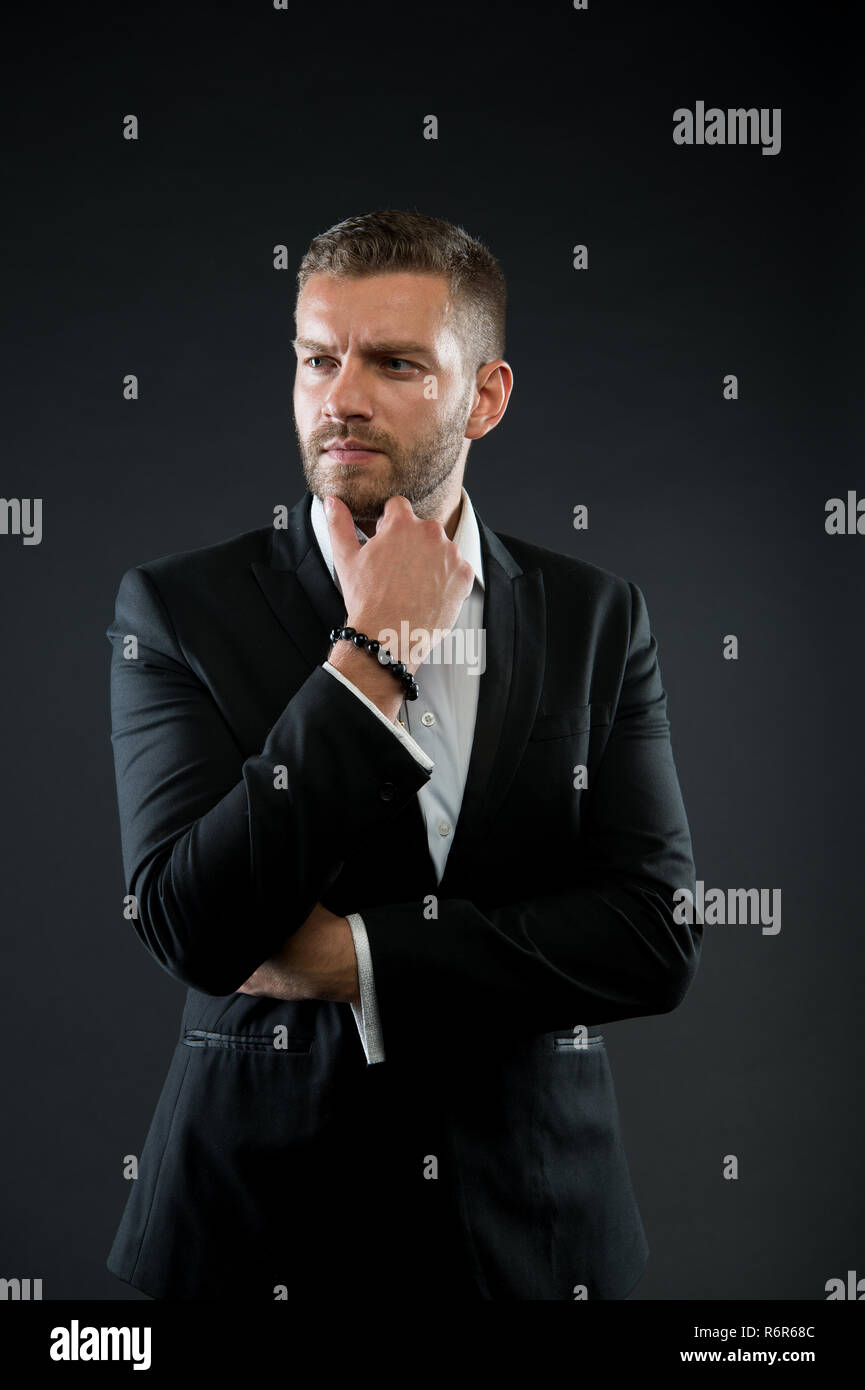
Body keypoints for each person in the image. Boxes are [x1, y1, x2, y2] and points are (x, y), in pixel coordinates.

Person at [105, 209, 700, 1301]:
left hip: (536, 1232)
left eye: (393, 363)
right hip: (258, 1228)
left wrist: (363, 961)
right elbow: (189, 922)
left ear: (485, 395)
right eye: (317, 358)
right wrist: (369, 658)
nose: (341, 395)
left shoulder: (596, 616)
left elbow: (652, 938)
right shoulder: (177, 608)